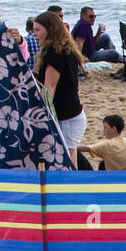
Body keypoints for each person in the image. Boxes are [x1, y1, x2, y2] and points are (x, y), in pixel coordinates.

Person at [32, 10, 87, 163]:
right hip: (73, 113)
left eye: (37, 30)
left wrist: (41, 117)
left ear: (50, 30)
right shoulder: (65, 50)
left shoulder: (54, 54)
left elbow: (50, 88)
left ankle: (71, 185)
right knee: (68, 157)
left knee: (68, 160)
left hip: (67, 117)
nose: (34, 34)